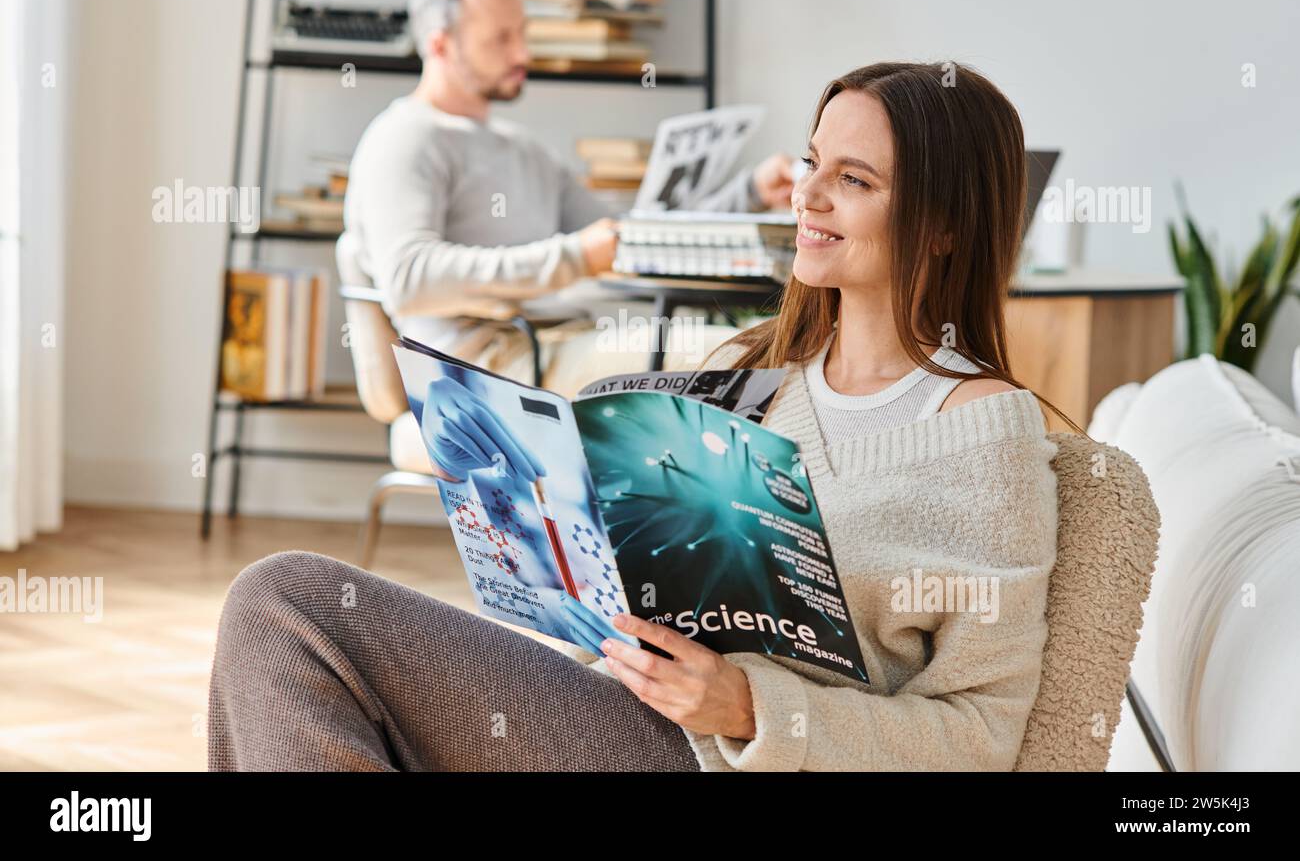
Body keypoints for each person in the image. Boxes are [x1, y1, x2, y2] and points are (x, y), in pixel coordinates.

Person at [209, 61, 1073, 772]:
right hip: (625, 714)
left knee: (292, 601)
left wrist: (751, 708)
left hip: (717, 758)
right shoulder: (750, 376)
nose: (808, 197)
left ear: (944, 228)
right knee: (280, 611)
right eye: (812, 164)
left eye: (854, 180)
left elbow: (980, 737)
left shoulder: (985, 434)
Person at [343, 0, 794, 386]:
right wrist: (576, 258)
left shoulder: (525, 149)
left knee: (779, 341)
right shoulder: (403, 138)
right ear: (440, 44)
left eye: (522, 32)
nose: (522, 51)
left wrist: (748, 193)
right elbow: (409, 280)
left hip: (559, 341)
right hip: (487, 367)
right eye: (499, 39)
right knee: (750, 352)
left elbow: (629, 241)